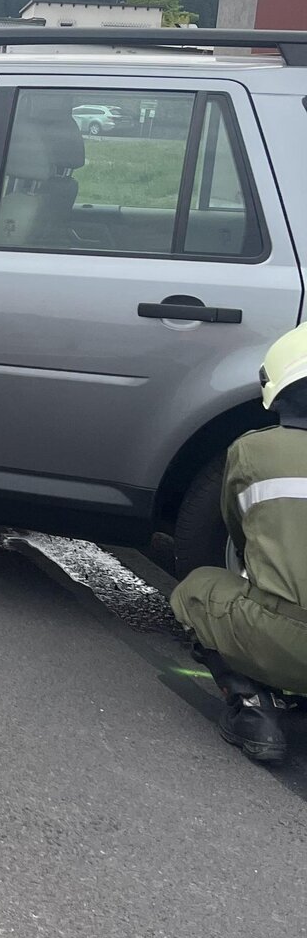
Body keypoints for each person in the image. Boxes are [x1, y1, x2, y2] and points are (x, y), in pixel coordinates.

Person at [170, 322, 307, 766]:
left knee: (198, 588)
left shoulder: (255, 452)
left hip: (283, 641)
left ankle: (253, 708)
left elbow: (237, 532)